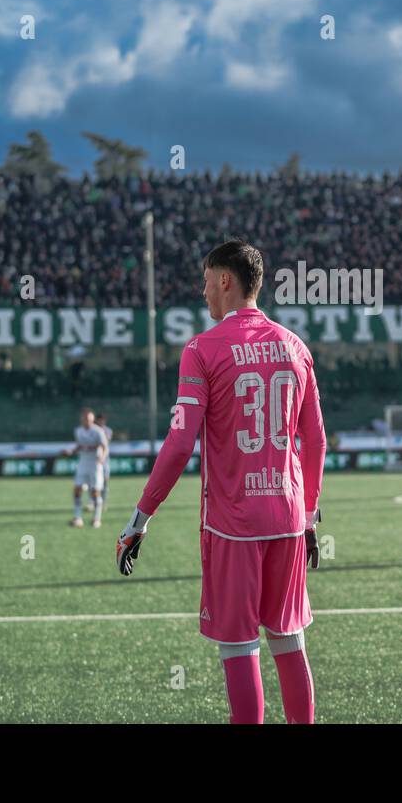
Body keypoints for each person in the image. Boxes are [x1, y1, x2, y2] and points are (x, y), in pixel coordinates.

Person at [114, 240, 326, 724]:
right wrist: (310, 514)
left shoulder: (202, 349)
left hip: (234, 522)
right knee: (289, 639)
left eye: (207, 280)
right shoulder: (296, 346)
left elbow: (179, 444)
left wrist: (140, 519)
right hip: (290, 517)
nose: (203, 290)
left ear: (225, 280)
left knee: (238, 646)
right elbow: (315, 440)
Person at [62, 408, 107, 528]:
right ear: (82, 419)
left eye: (89, 419)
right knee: (77, 489)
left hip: (95, 464)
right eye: (85, 419)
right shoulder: (78, 431)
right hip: (82, 463)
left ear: (92, 419)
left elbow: (105, 446)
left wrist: (102, 457)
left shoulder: (98, 431)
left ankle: (97, 519)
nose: (87, 421)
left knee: (95, 492)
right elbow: (79, 446)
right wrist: (70, 451)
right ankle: (78, 518)